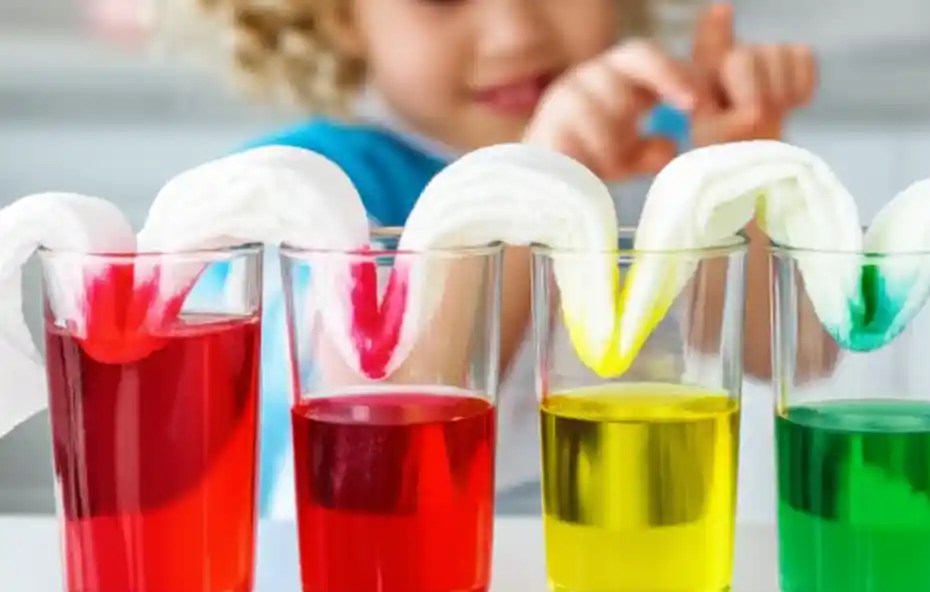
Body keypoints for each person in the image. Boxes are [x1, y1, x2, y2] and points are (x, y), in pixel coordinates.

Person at [183, 0, 817, 520]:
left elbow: (797, 354)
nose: (515, 32)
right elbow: (382, 437)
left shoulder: (662, 161)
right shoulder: (314, 191)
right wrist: (536, 177)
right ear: (339, 16)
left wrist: (740, 172)